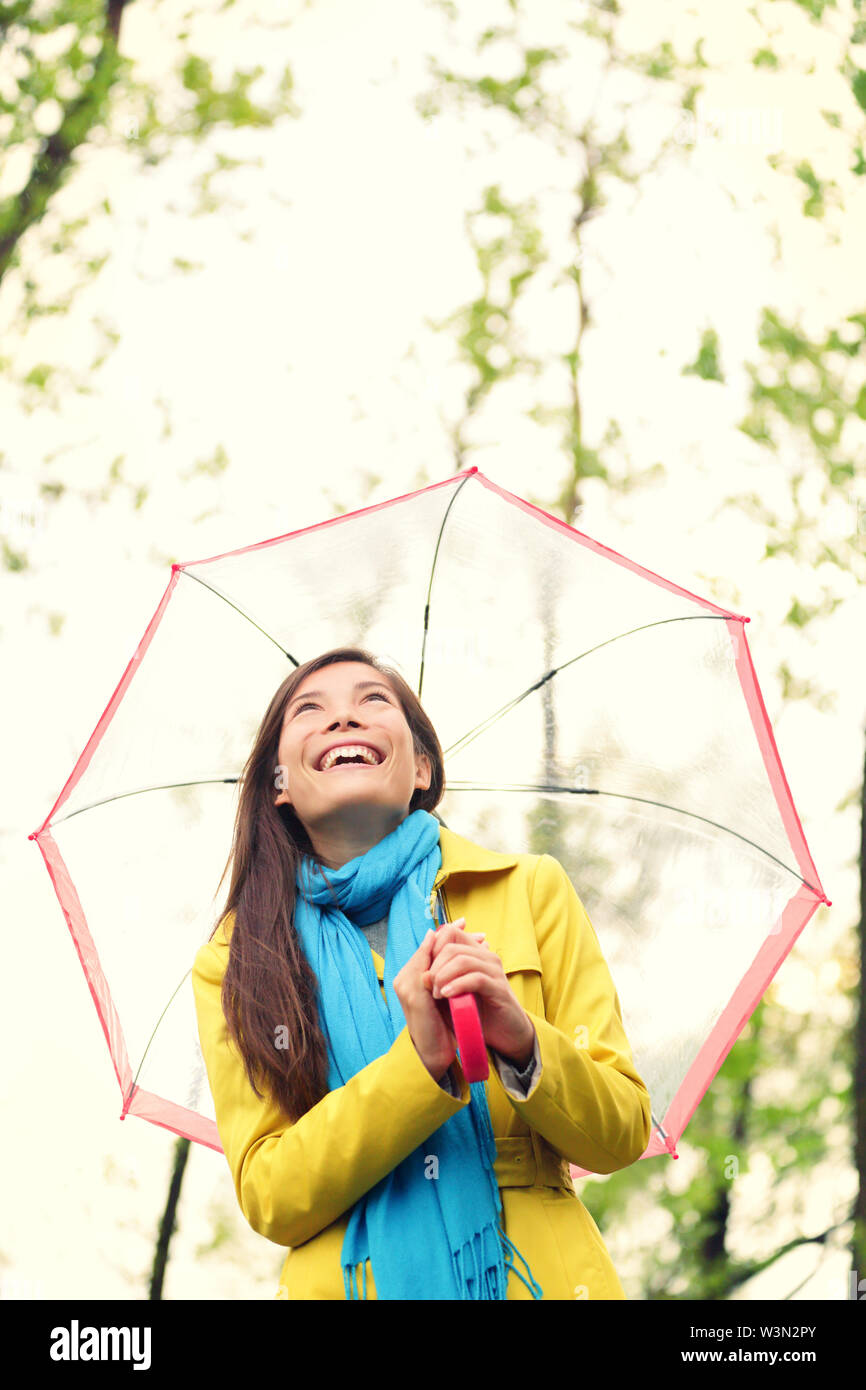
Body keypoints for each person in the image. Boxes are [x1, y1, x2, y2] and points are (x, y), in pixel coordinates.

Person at [191, 645, 652, 1299]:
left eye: (373, 702)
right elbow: (272, 1196)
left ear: (421, 767)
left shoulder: (530, 889)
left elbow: (620, 1132)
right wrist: (419, 1066)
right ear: (279, 784)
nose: (343, 719)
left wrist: (521, 1041)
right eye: (310, 709)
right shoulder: (236, 962)